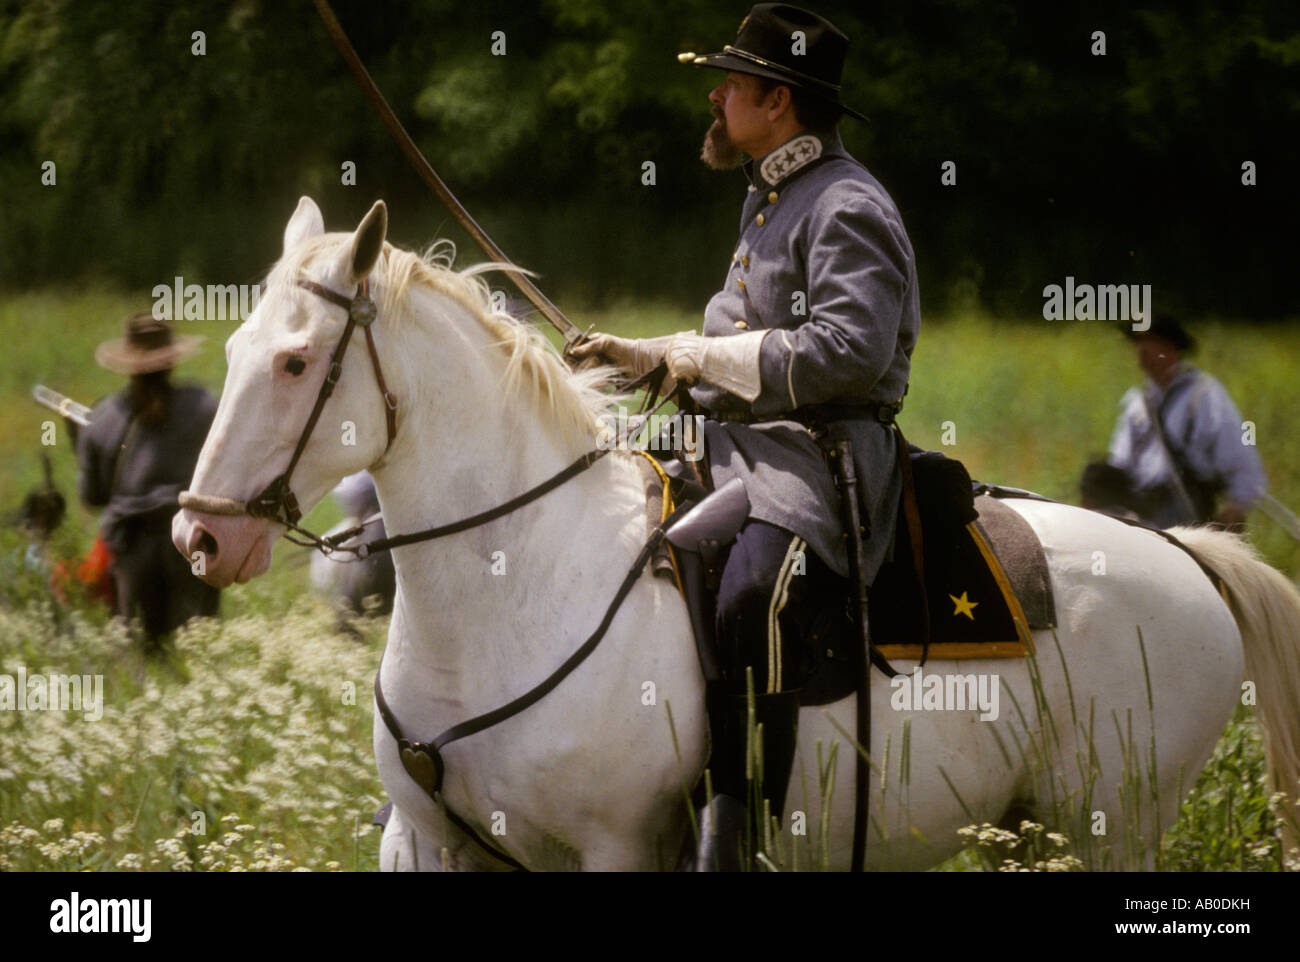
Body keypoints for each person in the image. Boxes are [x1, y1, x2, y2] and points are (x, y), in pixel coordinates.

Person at [572, 3, 920, 868]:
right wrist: (644, 358)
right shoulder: (772, 197)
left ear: (779, 101)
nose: (716, 97)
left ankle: (741, 820)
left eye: (731, 84)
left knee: (749, 594)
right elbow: (735, 343)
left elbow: (846, 352)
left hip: (817, 457)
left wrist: (687, 356)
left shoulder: (844, 205)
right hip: (737, 448)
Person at [74, 313, 221, 649]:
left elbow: (93, 496)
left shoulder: (103, 417)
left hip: (132, 548)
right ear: (171, 361)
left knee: (140, 653)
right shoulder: (204, 405)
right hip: (191, 540)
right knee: (198, 649)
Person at [1089, 316, 1267, 530]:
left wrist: (1236, 508)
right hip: (1139, 507)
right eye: (1138, 341)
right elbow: (1121, 462)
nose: (1141, 348)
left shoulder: (1204, 395)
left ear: (1171, 345)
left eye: (1149, 340)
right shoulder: (1137, 402)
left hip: (1185, 510)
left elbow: (1242, 460)